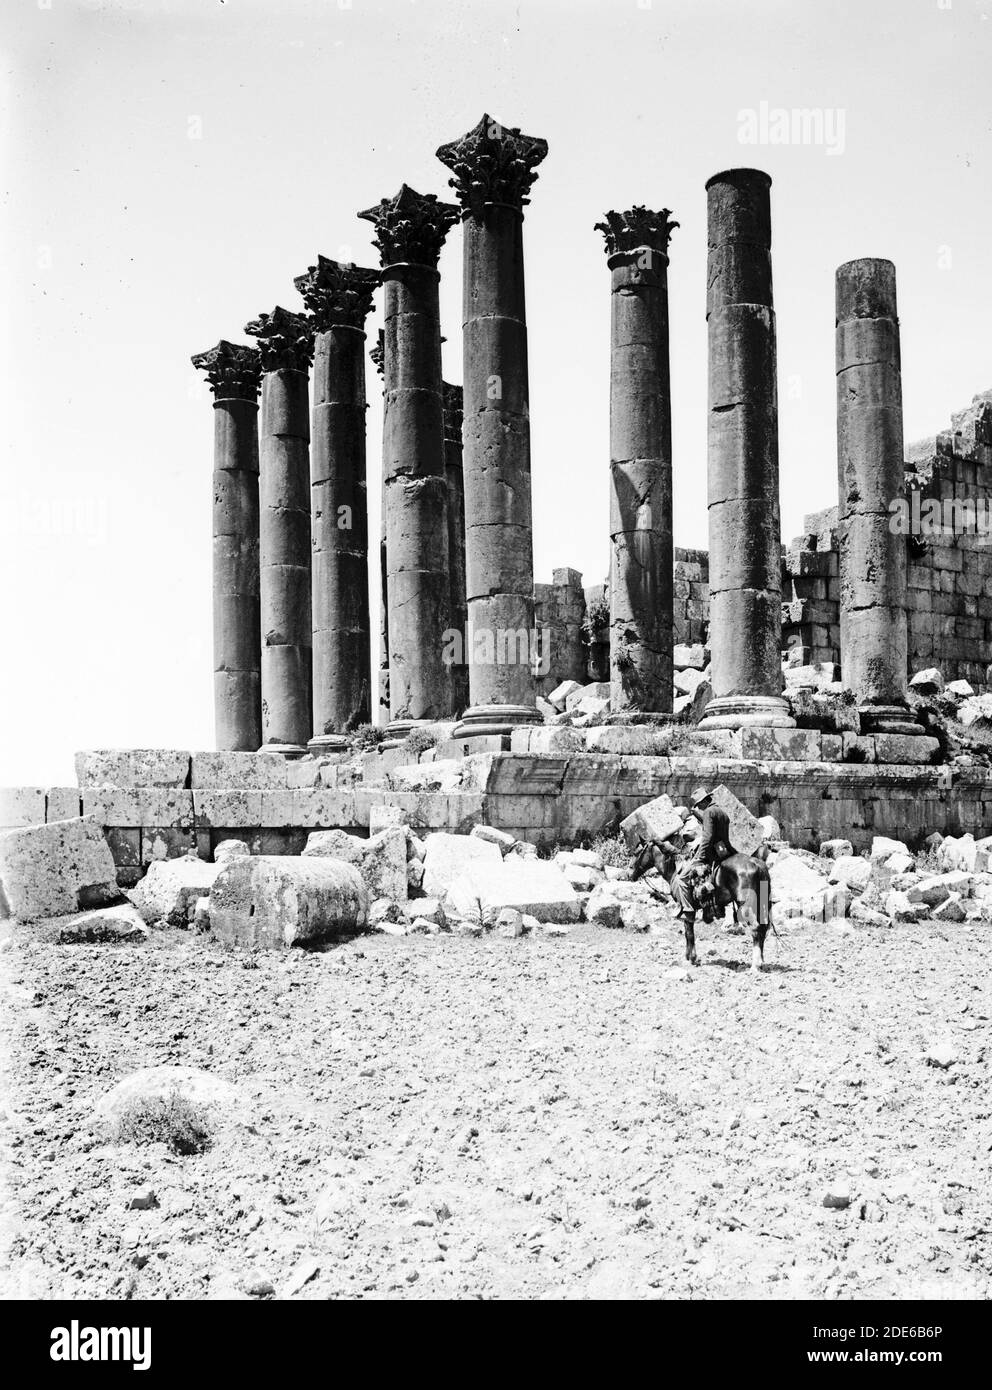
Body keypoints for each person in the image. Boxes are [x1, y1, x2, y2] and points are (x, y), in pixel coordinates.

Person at [672, 788, 736, 930]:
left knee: (681, 878)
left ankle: (688, 912)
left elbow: (707, 837)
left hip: (711, 852)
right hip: (725, 851)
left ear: (703, 801)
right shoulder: (721, 811)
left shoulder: (708, 812)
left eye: (698, 805)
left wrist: (700, 857)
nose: (699, 807)